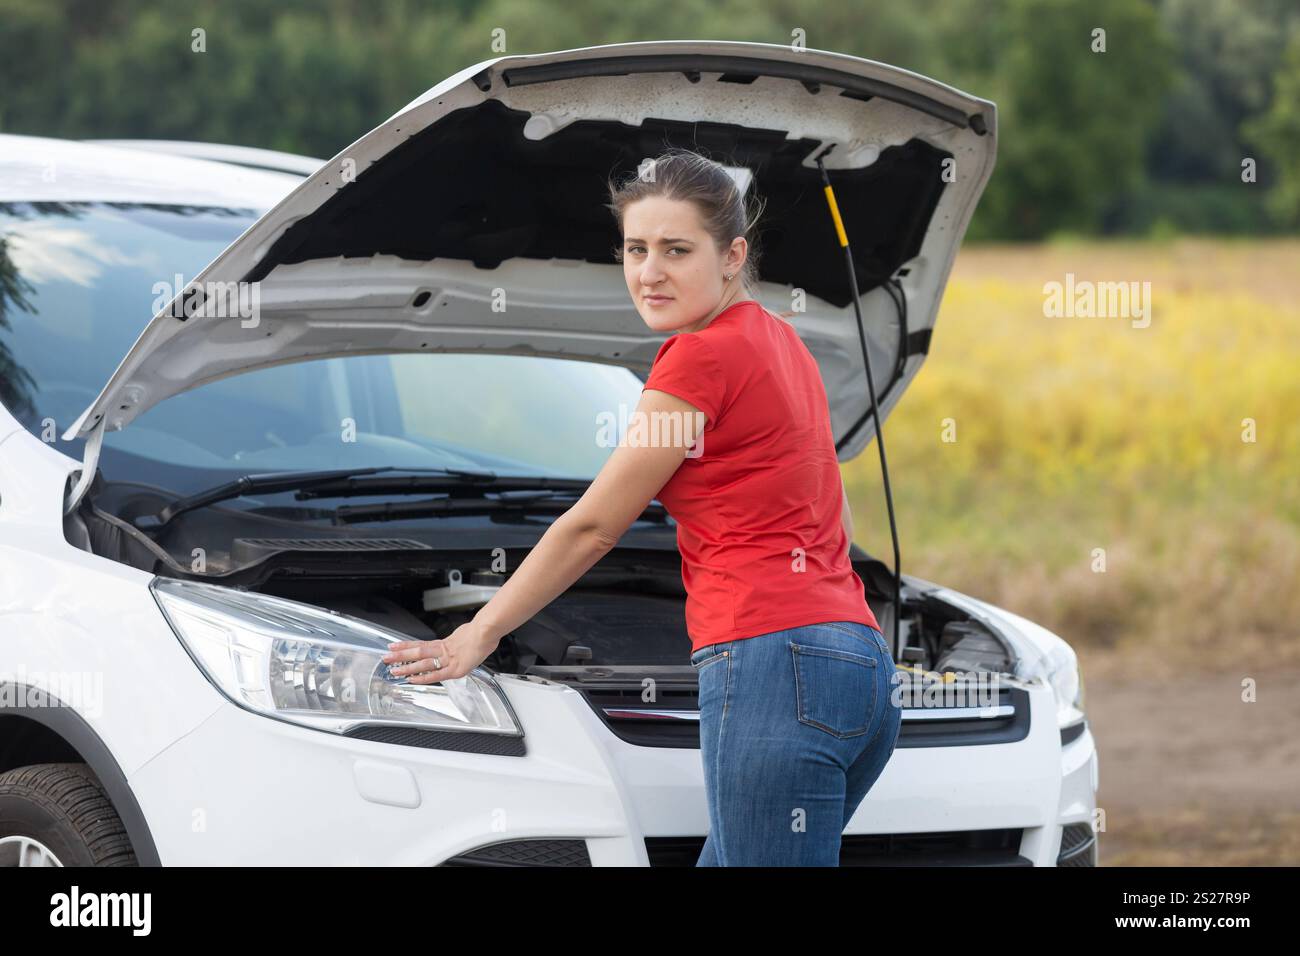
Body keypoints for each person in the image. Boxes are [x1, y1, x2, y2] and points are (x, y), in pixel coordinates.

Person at [383, 146, 902, 866]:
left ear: (732, 255)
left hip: (770, 666)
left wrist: (480, 632)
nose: (649, 272)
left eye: (676, 250)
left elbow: (595, 526)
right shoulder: (786, 346)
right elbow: (832, 518)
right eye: (635, 248)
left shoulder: (698, 358)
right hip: (858, 669)